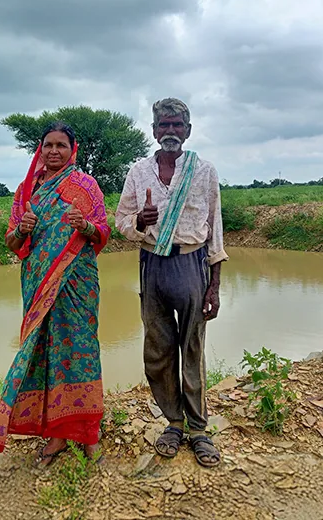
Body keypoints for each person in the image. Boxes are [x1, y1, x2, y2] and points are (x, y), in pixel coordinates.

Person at [0, 122, 112, 466]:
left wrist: (84, 225)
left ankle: (88, 434)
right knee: (47, 351)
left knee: (81, 351)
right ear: (39, 150)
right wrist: (21, 231)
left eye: (61, 146)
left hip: (78, 281)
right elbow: (12, 242)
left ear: (74, 150)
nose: (54, 151)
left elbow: (102, 231)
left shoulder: (86, 187)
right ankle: (56, 436)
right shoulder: (27, 190)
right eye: (48, 145)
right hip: (38, 282)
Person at [115, 97, 227, 468]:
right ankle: (173, 423)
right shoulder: (138, 171)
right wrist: (142, 223)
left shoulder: (204, 170)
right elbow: (122, 221)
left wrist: (214, 285)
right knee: (158, 351)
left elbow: (215, 229)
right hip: (153, 265)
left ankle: (198, 429)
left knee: (192, 348)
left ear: (188, 130)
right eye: (164, 125)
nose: (170, 132)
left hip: (191, 264)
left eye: (177, 125)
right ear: (153, 130)